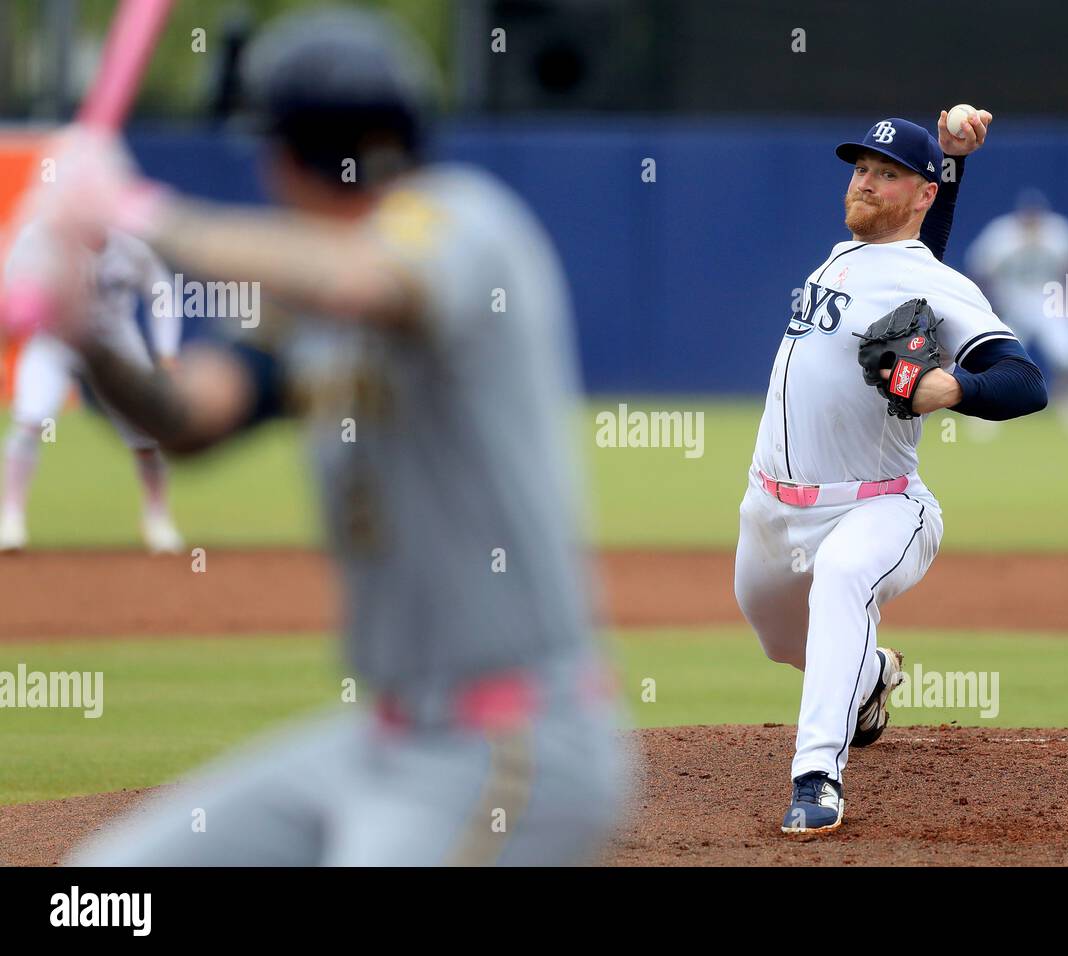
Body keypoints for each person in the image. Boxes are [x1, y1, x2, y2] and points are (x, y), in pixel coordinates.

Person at [15, 6, 620, 865]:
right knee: (105, 890)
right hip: (382, 738)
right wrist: (84, 333)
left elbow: (368, 277)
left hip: (512, 742)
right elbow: (190, 419)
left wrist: (136, 210)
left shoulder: (463, 224)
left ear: (283, 150)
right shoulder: (310, 307)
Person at [733, 111, 1049, 833]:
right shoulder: (845, 257)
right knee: (786, 644)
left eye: (887, 175)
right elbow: (909, 262)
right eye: (861, 170)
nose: (866, 182)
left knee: (844, 578)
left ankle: (816, 775)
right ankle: (872, 675)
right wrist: (948, 159)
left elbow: (1025, 381)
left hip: (878, 507)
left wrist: (954, 388)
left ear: (922, 194)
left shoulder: (941, 285)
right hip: (771, 509)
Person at [1, 224, 183, 553]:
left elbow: (161, 290)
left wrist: (166, 355)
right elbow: (9, 290)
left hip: (115, 342)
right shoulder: (40, 237)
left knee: (148, 434)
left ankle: (157, 518)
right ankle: (10, 519)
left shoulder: (131, 246)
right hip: (54, 339)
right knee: (29, 421)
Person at [966, 189, 1068, 433]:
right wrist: (988, 305)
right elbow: (981, 270)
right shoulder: (1002, 233)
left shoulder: (1058, 231)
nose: (1032, 223)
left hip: (1050, 299)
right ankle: (984, 410)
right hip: (1014, 300)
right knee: (996, 356)